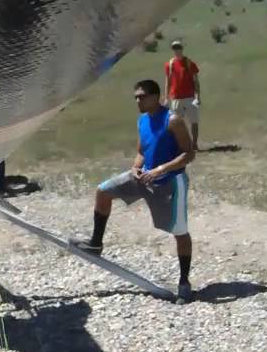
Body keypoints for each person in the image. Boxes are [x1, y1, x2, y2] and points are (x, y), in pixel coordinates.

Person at [70, 79, 195, 303]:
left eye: (142, 96)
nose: (138, 101)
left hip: (170, 182)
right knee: (103, 191)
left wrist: (160, 170)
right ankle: (95, 243)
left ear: (155, 97)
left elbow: (189, 154)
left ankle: (184, 283)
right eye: (136, 97)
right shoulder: (142, 120)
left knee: (180, 232)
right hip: (143, 177)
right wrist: (136, 167)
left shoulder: (173, 120)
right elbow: (142, 151)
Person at [163, 39, 202, 151]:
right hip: (176, 98)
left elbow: (195, 81)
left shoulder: (189, 63)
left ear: (182, 48)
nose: (177, 50)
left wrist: (198, 96)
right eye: (174, 48)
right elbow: (168, 82)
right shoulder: (169, 64)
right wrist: (166, 98)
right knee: (176, 123)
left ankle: (194, 144)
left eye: (178, 47)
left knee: (194, 121)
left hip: (190, 97)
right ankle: (179, 145)